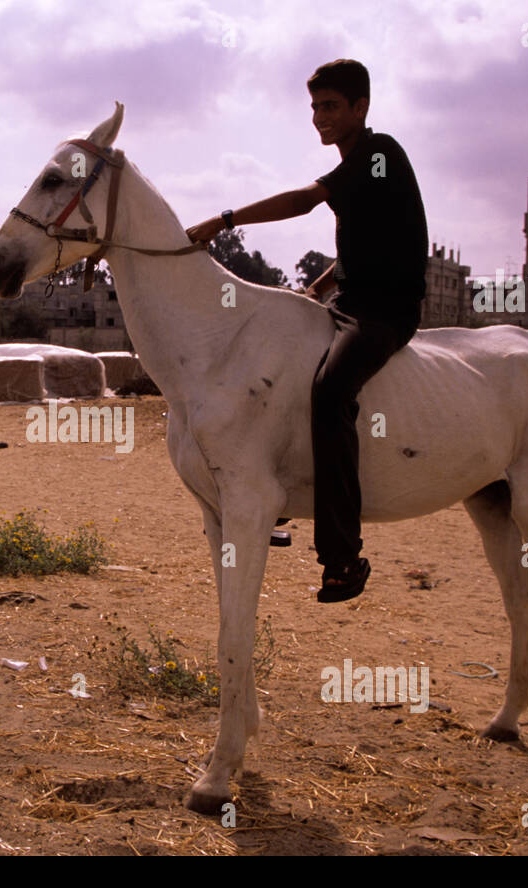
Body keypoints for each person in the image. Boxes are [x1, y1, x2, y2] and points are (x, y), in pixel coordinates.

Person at [185, 58, 428, 603]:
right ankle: (264, 504)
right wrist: (315, 291)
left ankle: (343, 557)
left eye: (331, 106)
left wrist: (223, 222)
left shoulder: (379, 153)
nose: (319, 117)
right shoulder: (356, 167)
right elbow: (360, 248)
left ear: (360, 108)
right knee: (275, 374)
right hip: (346, 299)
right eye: (315, 107)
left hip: (386, 311)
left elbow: (303, 202)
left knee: (332, 390)